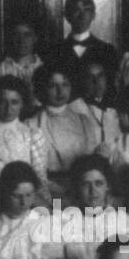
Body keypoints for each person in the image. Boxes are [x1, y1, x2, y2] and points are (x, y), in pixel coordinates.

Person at [30, 63, 101, 197]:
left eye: (65, 85)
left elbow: (92, 161)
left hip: (82, 189)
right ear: (42, 88)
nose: (60, 91)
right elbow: (35, 171)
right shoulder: (32, 124)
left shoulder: (84, 121)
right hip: (47, 191)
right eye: (52, 86)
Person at [0, 75, 47, 186]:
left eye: (14, 102)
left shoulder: (32, 134)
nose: (8, 108)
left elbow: (39, 175)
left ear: (22, 104)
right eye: (3, 102)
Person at [42, 0, 119, 76]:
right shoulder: (54, 52)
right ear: (67, 16)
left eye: (87, 9)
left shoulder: (108, 51)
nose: (82, 15)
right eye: (76, 9)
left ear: (93, 15)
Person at [0, 19, 43, 96]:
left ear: (35, 38)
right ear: (10, 38)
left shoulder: (44, 70)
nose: (21, 40)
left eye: (27, 35)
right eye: (16, 35)